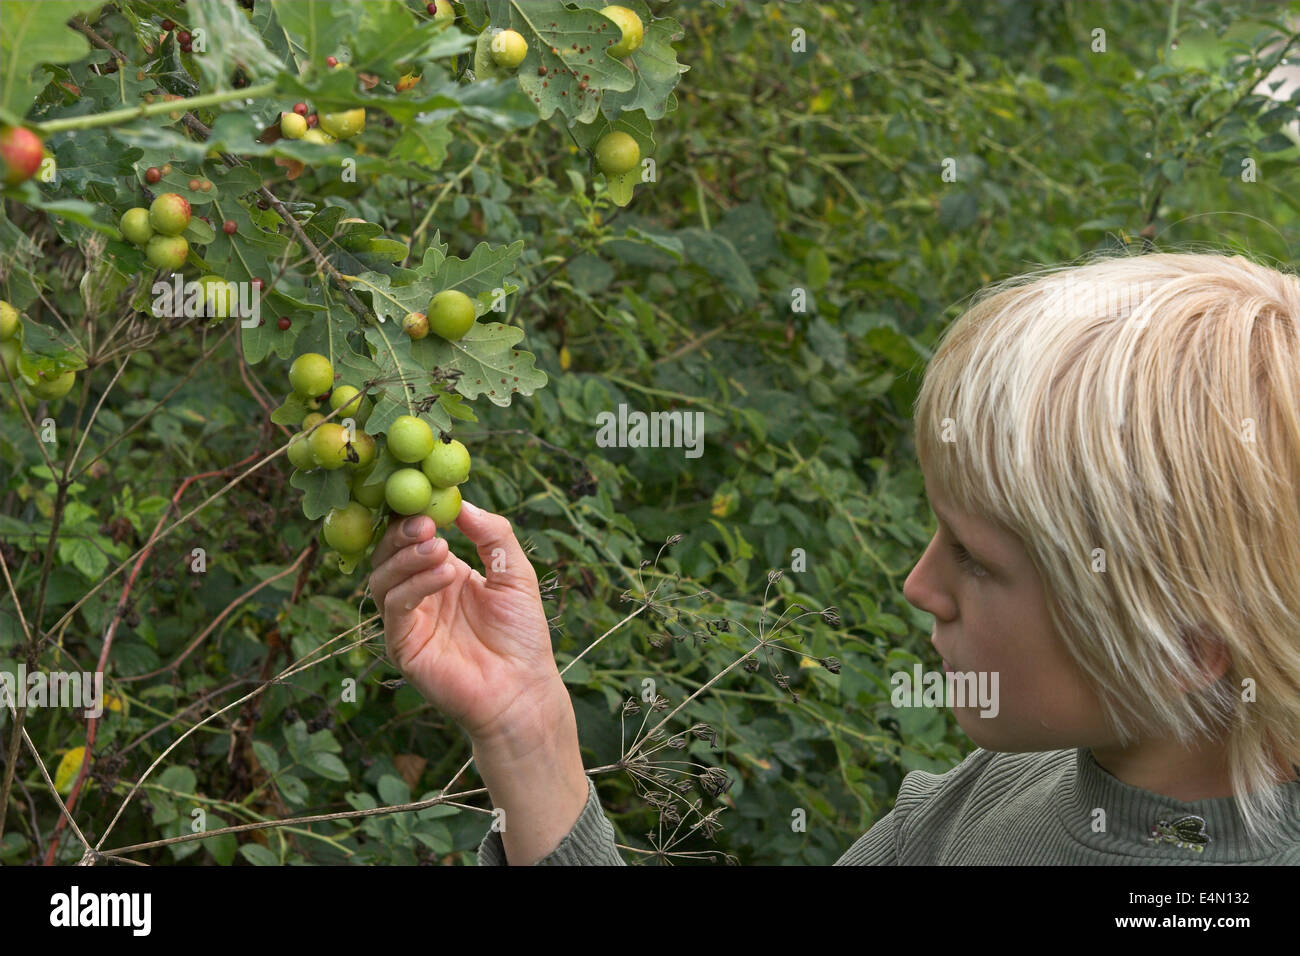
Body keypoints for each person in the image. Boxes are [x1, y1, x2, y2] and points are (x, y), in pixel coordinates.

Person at [368, 250, 1300, 865]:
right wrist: (528, 732)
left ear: (1182, 645)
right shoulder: (981, 806)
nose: (919, 585)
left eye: (975, 560)